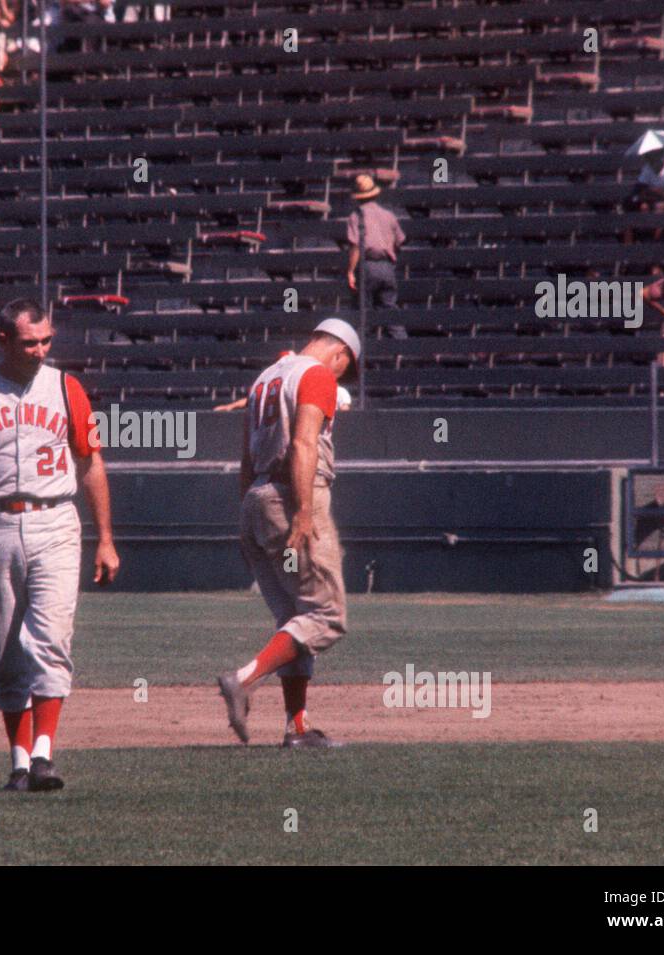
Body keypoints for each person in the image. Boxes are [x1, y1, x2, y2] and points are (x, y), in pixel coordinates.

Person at [0, 299, 120, 792]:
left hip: (55, 519)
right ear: (4, 341)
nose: (40, 350)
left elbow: (90, 463)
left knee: (52, 636)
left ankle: (43, 755)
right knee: (5, 650)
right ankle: (18, 763)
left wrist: (105, 538)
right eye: (29, 342)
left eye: (46, 341)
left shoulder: (65, 386)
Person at [216, 318, 356, 748]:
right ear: (339, 354)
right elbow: (303, 444)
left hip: (257, 496)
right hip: (293, 495)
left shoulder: (265, 378)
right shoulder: (316, 375)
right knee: (326, 617)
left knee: (294, 617)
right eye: (345, 367)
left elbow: (244, 459)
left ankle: (297, 727)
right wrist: (302, 515)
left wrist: (249, 514)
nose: (340, 375)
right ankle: (243, 679)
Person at [345, 174, 407, 339]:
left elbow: (355, 246)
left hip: (368, 266)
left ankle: (361, 357)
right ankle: (402, 351)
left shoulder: (356, 216)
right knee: (390, 312)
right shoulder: (389, 215)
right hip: (387, 267)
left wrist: (351, 271)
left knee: (364, 315)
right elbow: (399, 242)